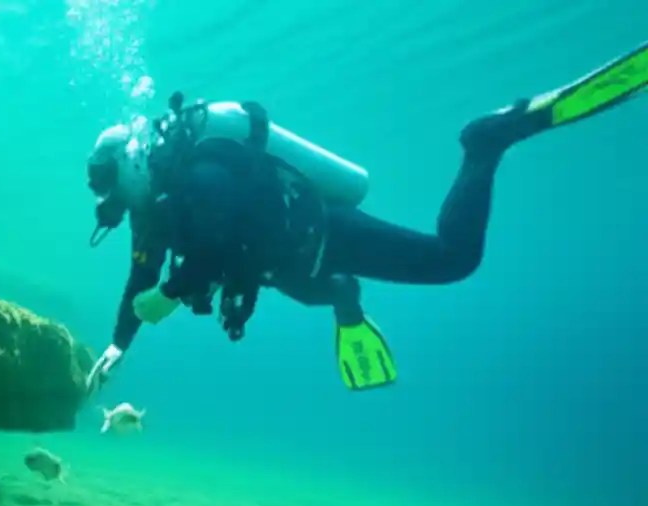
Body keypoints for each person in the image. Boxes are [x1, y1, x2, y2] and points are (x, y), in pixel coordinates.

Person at [82, 40, 647, 396]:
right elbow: (140, 278)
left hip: (323, 231)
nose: (114, 202)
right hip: (287, 267)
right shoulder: (153, 210)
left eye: (111, 185)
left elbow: (222, 234)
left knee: (453, 260)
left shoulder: (201, 171)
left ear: (131, 161)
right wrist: (119, 343)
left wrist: (175, 291)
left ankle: (485, 142)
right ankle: (347, 305)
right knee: (322, 290)